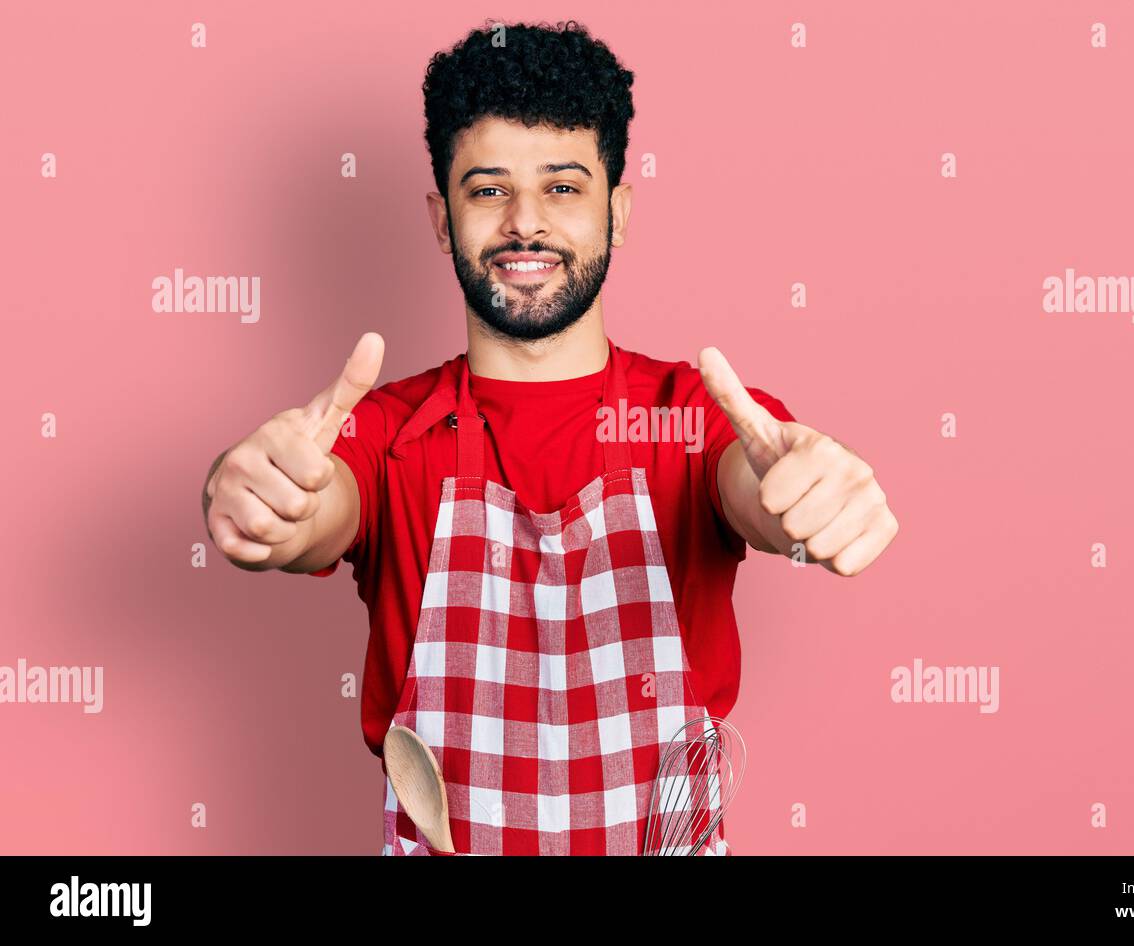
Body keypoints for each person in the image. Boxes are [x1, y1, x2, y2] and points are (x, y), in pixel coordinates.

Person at [200, 20, 898, 856]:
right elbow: (315, 504)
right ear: (440, 216)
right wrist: (254, 497)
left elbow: (759, 490)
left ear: (619, 211)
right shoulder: (384, 436)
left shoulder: (692, 415)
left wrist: (813, 500)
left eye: (564, 187)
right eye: (487, 189)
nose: (524, 223)